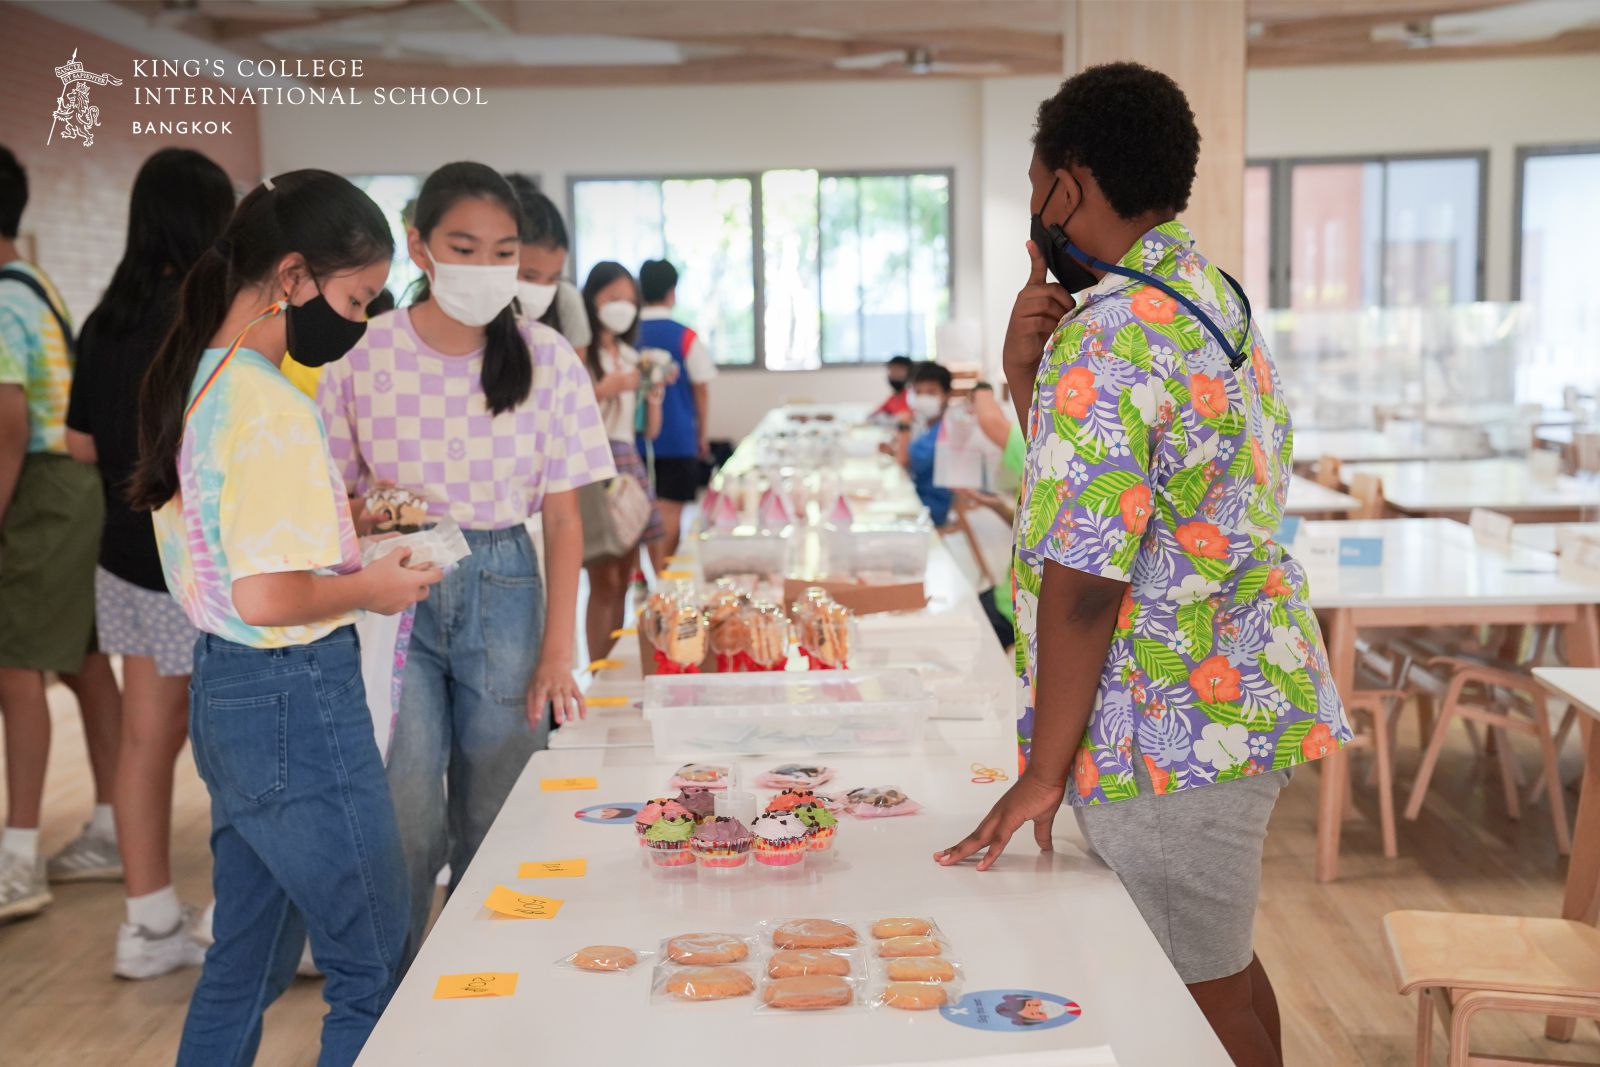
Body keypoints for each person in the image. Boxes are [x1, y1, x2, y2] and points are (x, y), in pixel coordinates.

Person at [935, 63, 1350, 1067]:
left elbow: (1083, 580)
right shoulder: (1208, 296)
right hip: (1232, 688)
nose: (1034, 211)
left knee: (1186, 996)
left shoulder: (1112, 333)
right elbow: (1129, 492)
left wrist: (1040, 773)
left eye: (1039, 183)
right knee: (1222, 968)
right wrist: (1031, 379)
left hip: (1169, 717)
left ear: (1068, 184)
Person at [128, 169, 436, 1066]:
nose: (363, 318)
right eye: (357, 297)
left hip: (231, 694)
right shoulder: (270, 405)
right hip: (294, 695)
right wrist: (369, 587)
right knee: (373, 965)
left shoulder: (206, 373)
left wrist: (347, 525)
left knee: (246, 960)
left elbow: (236, 549)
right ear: (294, 276)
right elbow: (268, 594)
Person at [319, 161, 612, 967]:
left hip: (507, 584)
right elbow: (331, 497)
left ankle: (499, 984)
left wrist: (560, 651)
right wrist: (371, 518)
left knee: (504, 806)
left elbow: (562, 513)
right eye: (463, 246)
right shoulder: (359, 350)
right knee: (404, 809)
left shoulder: (548, 357)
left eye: (502, 251)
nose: (486, 268)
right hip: (391, 586)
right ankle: (398, 995)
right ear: (418, 245)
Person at [62, 147, 234, 976]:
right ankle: (238, 913)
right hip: (199, 563)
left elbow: (78, 443)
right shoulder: (208, 315)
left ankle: (149, 923)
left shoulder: (104, 317)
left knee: (144, 739)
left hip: (123, 561)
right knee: (227, 738)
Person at [0, 145, 124, 922]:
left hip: (41, 487)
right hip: (76, 489)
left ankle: (17, 857)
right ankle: (111, 827)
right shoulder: (33, 285)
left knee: (15, 666)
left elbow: (8, 425)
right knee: (81, 662)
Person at [579, 260, 664, 659]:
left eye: (628, 300)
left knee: (625, 577)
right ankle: (597, 670)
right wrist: (606, 387)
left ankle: (611, 664)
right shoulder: (581, 354)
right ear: (591, 299)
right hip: (594, 465)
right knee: (603, 579)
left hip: (629, 463)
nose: (621, 307)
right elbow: (568, 415)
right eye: (612, 298)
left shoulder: (633, 355)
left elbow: (650, 431)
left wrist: (653, 396)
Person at [636, 258, 715, 567]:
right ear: (672, 292)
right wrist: (702, 435)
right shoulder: (685, 337)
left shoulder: (626, 336)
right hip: (678, 438)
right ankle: (664, 579)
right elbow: (702, 389)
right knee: (670, 512)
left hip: (633, 439)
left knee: (636, 513)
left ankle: (642, 577)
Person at [504, 173, 592, 361]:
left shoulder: (565, 298)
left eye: (553, 278)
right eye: (529, 276)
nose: (541, 288)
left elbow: (576, 374)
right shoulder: (479, 308)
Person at [890, 361, 954, 528]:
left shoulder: (944, 430)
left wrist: (903, 427)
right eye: (918, 392)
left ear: (946, 394)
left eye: (931, 392)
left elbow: (903, 463)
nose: (924, 398)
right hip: (921, 498)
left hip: (931, 505)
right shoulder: (930, 426)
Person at [869, 354, 914, 422]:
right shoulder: (894, 396)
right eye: (891, 370)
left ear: (909, 372)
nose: (894, 374)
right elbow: (872, 415)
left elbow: (906, 419)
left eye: (898, 370)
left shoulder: (912, 395)